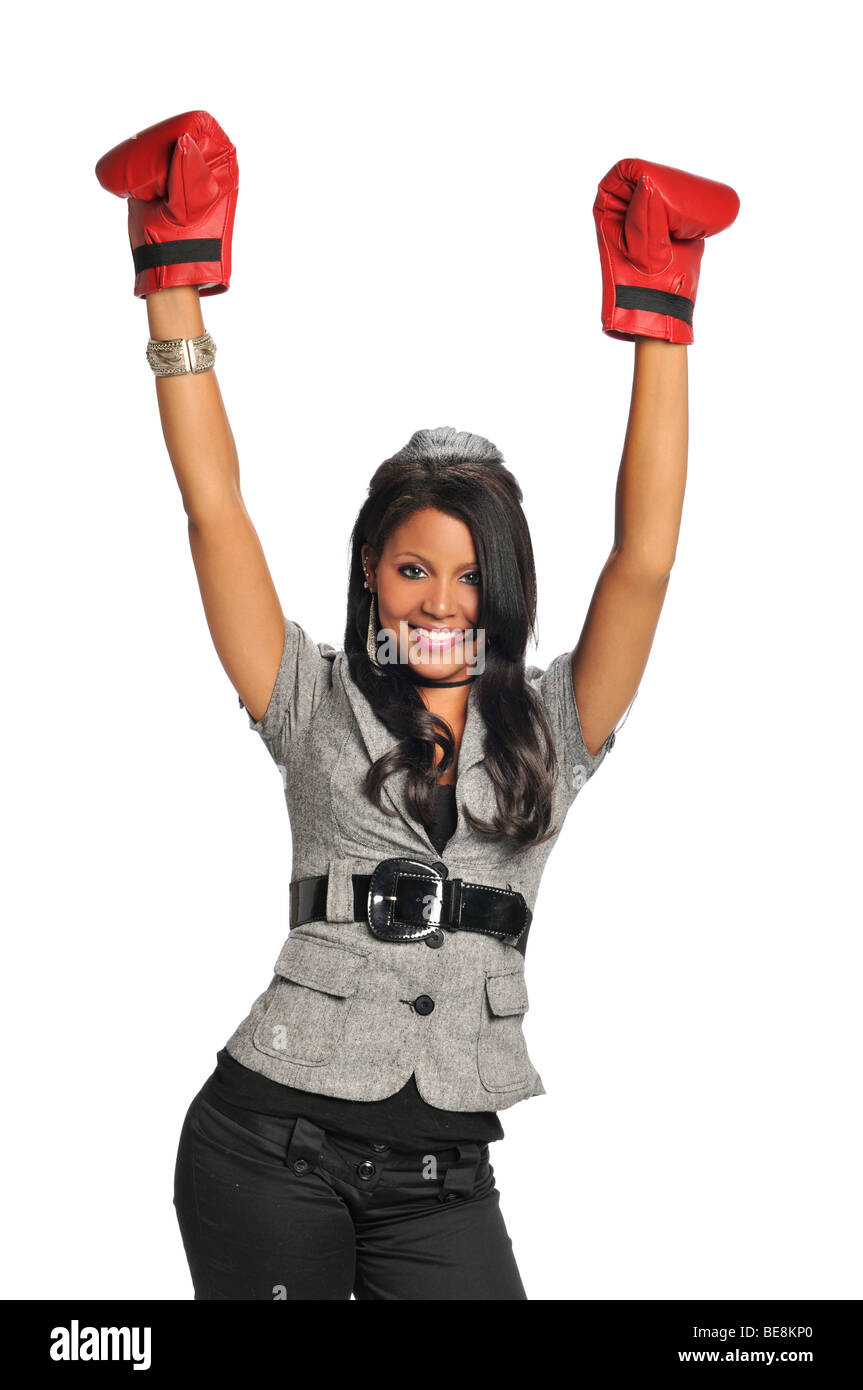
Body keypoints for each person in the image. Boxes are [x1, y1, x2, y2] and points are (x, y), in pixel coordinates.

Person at [95, 114, 739, 1299]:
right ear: (369, 576)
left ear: (503, 587)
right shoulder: (306, 698)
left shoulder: (557, 725)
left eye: (468, 573)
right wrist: (172, 285)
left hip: (445, 1175)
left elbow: (642, 558)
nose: (441, 600)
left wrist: (662, 316)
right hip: (263, 1149)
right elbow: (215, 510)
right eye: (410, 569)